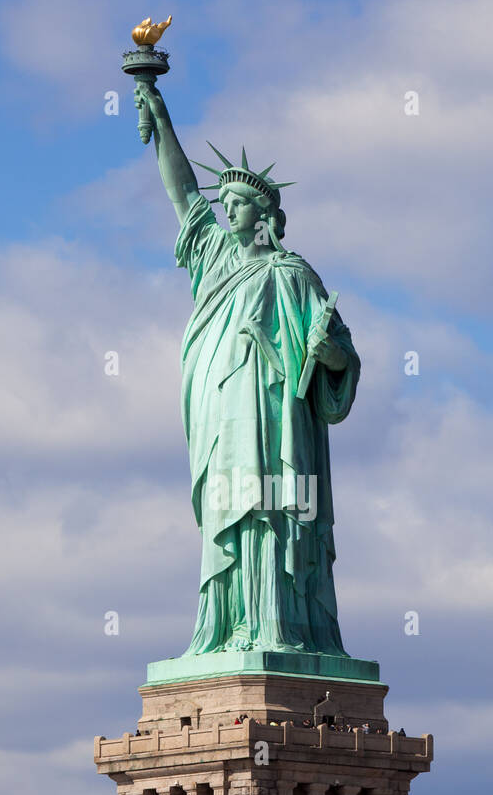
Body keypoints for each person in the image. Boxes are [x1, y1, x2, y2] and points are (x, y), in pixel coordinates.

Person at [134, 80, 360, 657]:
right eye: (225, 202)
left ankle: (277, 627)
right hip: (222, 418)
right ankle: (226, 628)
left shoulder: (293, 275)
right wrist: (160, 116)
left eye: (237, 202)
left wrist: (327, 352)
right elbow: (184, 194)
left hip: (278, 419)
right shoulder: (212, 259)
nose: (225, 208)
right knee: (230, 513)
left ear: (265, 214)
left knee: (274, 509)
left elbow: (342, 362)